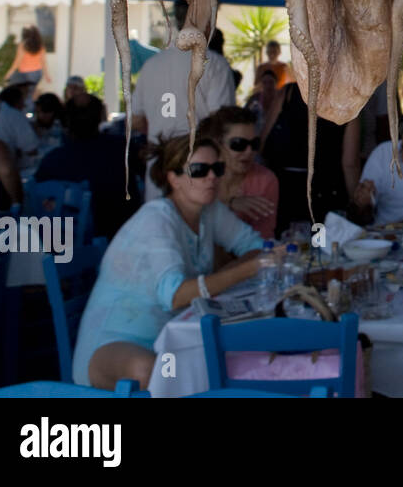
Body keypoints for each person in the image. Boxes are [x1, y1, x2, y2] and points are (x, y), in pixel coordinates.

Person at [71, 135, 264, 390]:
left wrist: (237, 270)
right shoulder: (156, 219)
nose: (211, 177)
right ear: (173, 178)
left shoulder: (209, 211)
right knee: (150, 370)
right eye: (198, 170)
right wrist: (243, 271)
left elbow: (255, 247)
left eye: (217, 169)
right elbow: (174, 295)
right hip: (117, 341)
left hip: (173, 336)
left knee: (234, 355)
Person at [129, 0, 235, 198]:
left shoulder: (151, 65)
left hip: (160, 170)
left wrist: (164, 134)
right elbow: (223, 121)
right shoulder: (215, 65)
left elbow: (136, 120)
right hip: (199, 173)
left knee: (161, 224)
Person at [35, 93, 139, 241]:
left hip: (67, 245)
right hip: (123, 237)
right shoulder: (124, 148)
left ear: (67, 120)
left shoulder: (52, 160)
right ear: (101, 117)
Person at [260, 81, 360, 234]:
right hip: (326, 191)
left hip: (285, 191)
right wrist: (356, 203)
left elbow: (263, 143)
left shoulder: (288, 93)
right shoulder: (348, 102)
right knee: (326, 250)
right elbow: (350, 164)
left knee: (287, 249)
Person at [202, 106, 279, 239]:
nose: (249, 151)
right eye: (238, 144)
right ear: (217, 144)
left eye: (254, 144)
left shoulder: (265, 180)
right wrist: (230, 205)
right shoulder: (200, 175)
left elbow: (263, 238)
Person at [0, 85, 40, 172]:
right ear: (18, 101)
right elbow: (31, 149)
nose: (24, 105)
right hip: (4, 170)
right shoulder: (14, 114)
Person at [2, 25, 49, 102]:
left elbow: (17, 61)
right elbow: (43, 61)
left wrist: (9, 74)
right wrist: (46, 75)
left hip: (25, 74)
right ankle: (30, 110)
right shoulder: (40, 45)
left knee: (24, 94)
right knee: (31, 94)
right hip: (37, 73)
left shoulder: (23, 45)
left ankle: (25, 110)